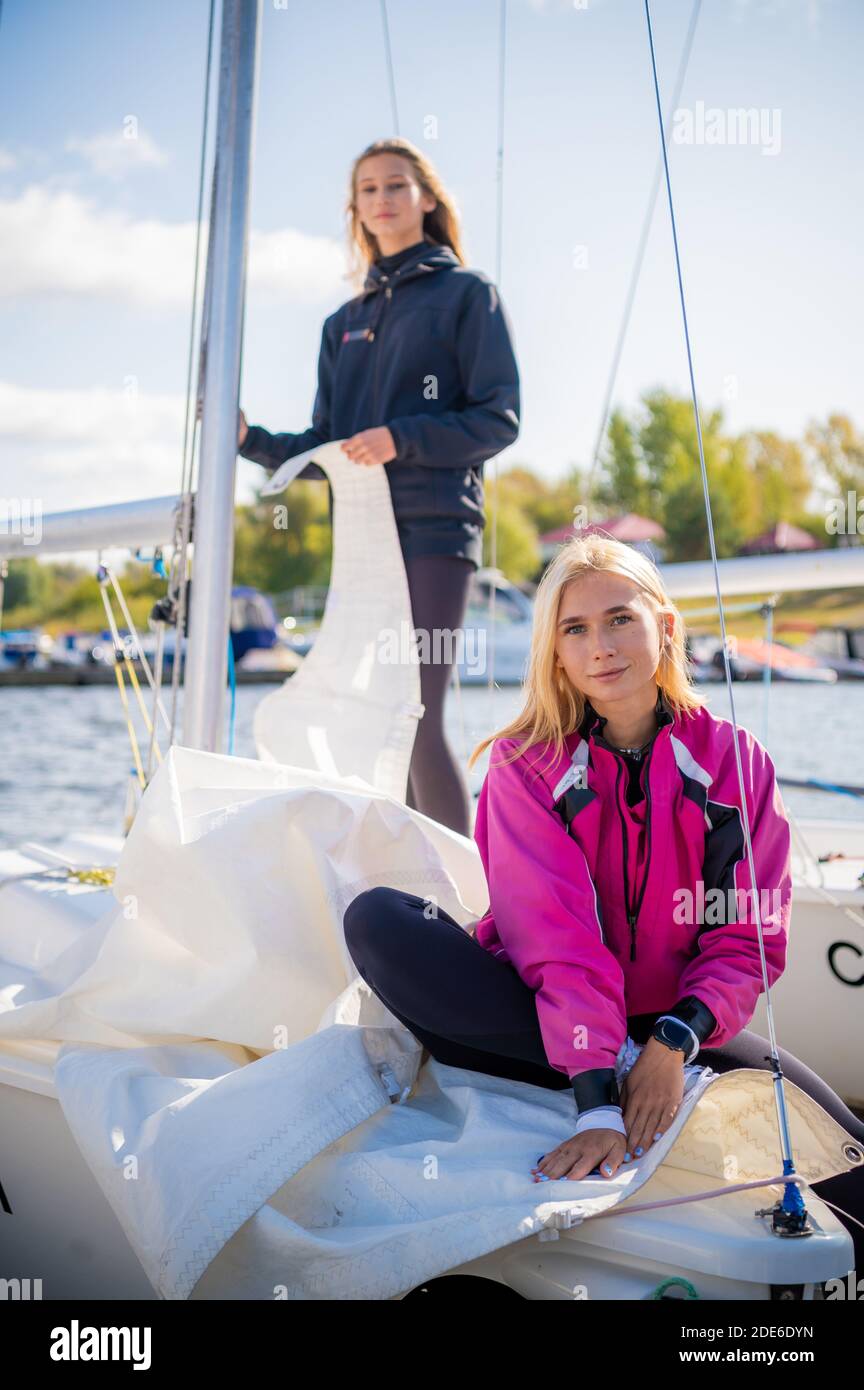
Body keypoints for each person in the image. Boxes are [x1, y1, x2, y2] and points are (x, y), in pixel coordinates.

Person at [342, 532, 864, 1272]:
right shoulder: (525, 768)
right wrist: (597, 1099)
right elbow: (555, 940)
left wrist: (672, 1045)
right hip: (535, 1019)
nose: (601, 647)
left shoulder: (733, 762)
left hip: (675, 1023)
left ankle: (640, 1060)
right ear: (555, 653)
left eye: (620, 619)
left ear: (665, 626)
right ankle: (599, 1069)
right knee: (381, 921)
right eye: (575, 629)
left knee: (852, 1175)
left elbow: (745, 935)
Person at [236, 137, 520, 837]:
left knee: (414, 713)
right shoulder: (344, 324)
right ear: (355, 210)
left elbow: (498, 417)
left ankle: (465, 898)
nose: (382, 199)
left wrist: (404, 437)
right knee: (376, 718)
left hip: (433, 530)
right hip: (362, 537)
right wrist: (246, 441)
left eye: (396, 185)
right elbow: (323, 440)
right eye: (367, 189)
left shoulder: (467, 294)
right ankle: (411, 887)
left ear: (427, 198)